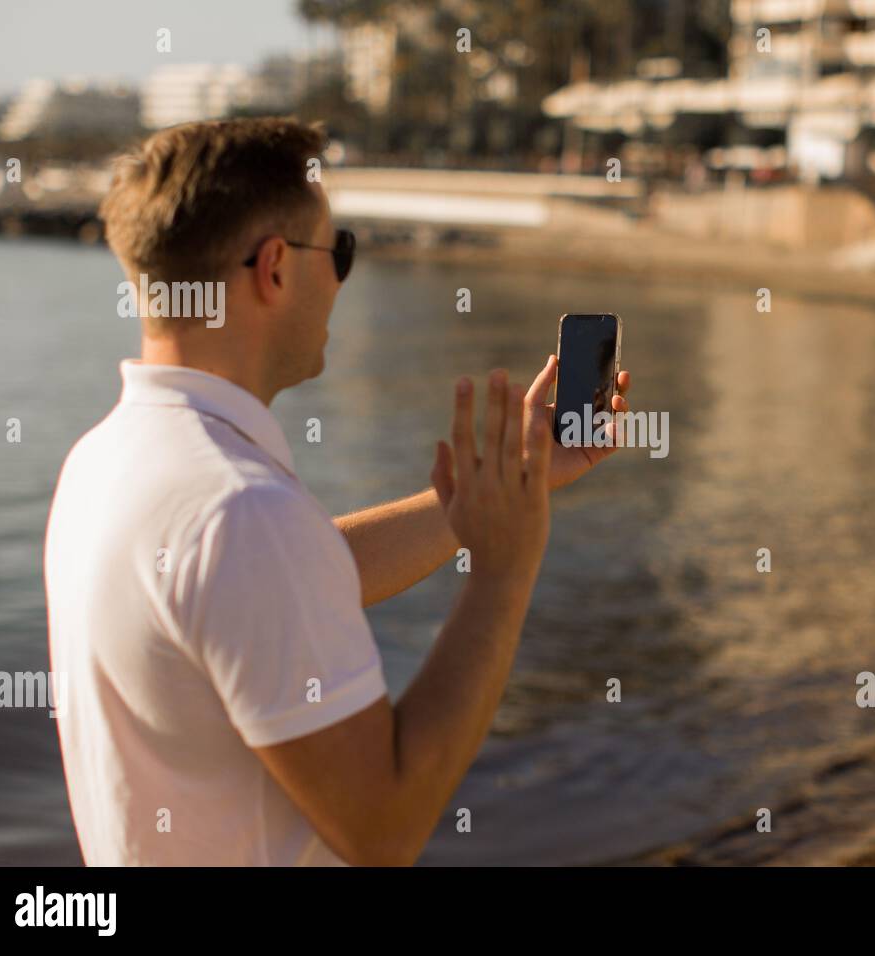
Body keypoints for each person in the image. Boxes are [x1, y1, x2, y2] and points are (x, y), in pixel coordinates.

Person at [43, 117, 632, 865]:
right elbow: (383, 829)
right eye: (341, 251)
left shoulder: (104, 460)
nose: (343, 277)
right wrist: (506, 569)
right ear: (277, 269)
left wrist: (492, 496)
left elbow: (272, 585)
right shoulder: (240, 510)